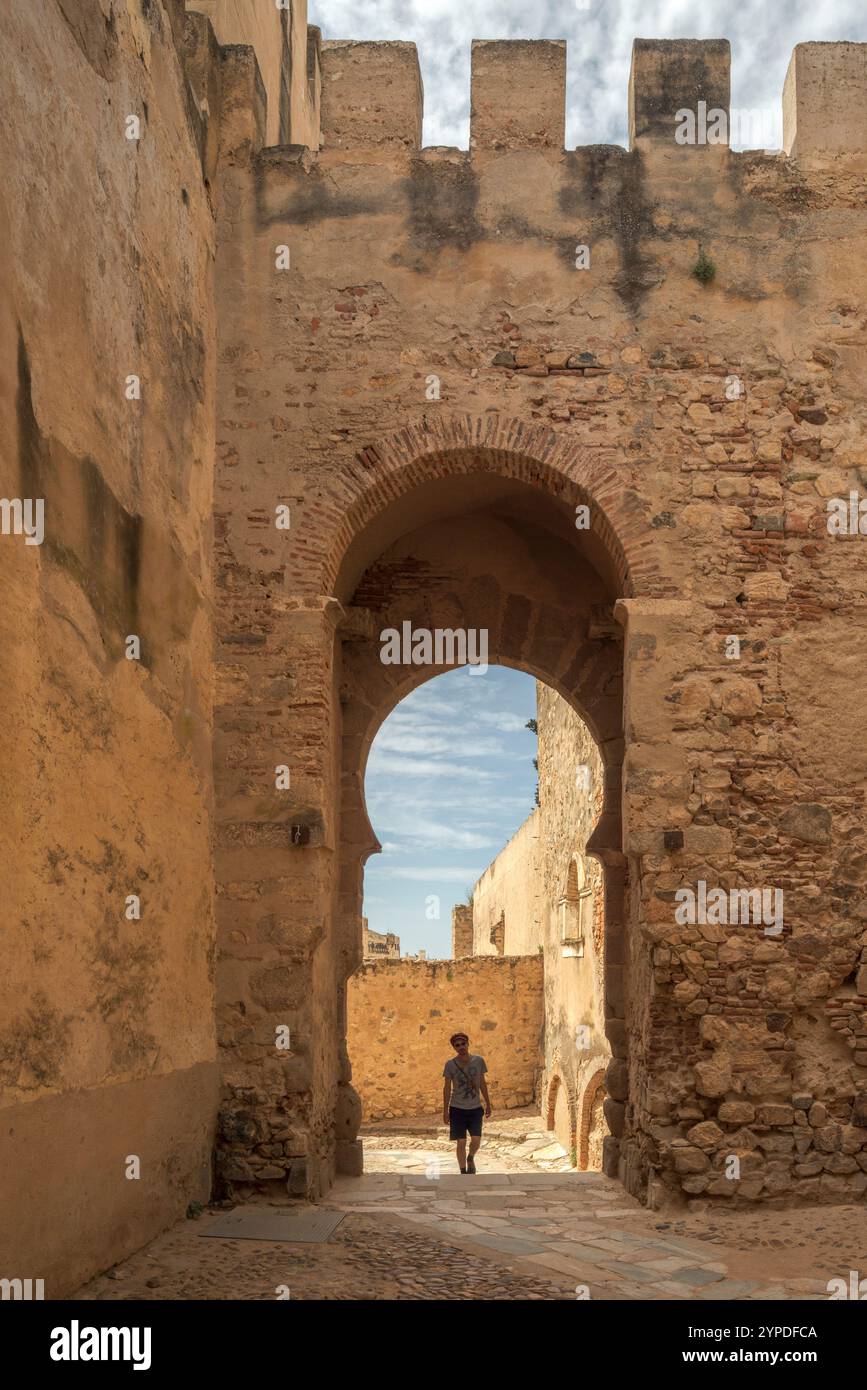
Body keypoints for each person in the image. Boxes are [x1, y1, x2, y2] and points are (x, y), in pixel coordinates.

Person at [442, 1031, 492, 1174]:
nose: (461, 1047)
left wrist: (488, 1103)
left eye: (463, 1044)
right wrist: (445, 1111)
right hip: (457, 1108)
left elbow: (482, 1082)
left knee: (476, 1140)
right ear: (454, 1048)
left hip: (475, 1107)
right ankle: (463, 1171)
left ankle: (470, 1157)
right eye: (457, 1045)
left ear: (468, 1044)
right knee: (461, 1141)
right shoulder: (450, 1065)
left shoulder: (479, 1061)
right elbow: (446, 1088)